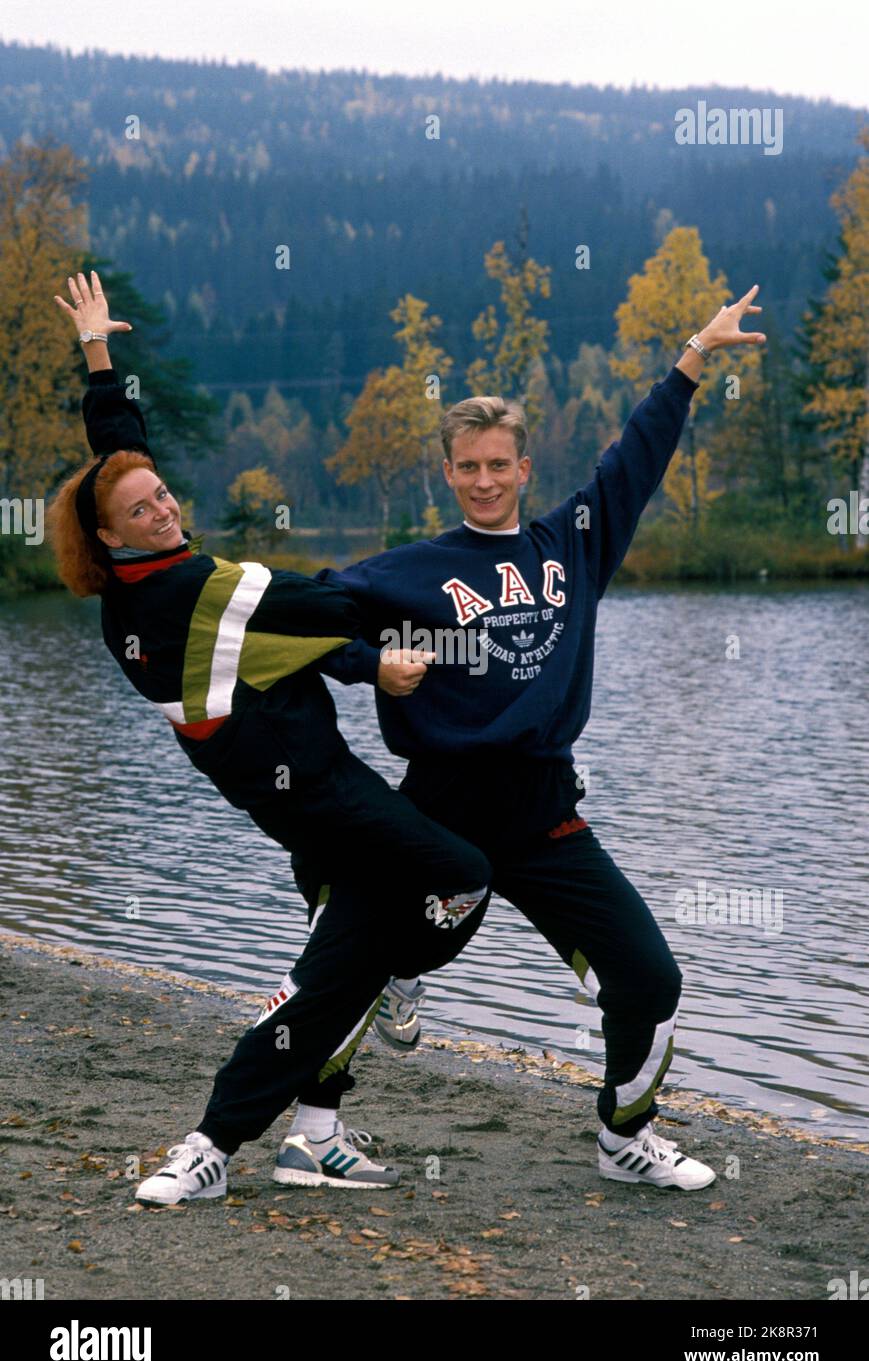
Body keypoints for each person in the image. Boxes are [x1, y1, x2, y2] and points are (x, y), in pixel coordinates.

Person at [295, 287, 767, 1191]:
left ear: (523, 466)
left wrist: (693, 356)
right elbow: (307, 613)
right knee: (352, 960)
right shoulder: (410, 571)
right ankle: (315, 1130)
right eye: (466, 465)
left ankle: (624, 1138)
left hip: (546, 814)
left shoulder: (572, 544)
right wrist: (371, 667)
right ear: (447, 471)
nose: (482, 479)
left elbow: (636, 459)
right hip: (439, 813)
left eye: (497, 464)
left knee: (647, 980)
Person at [48, 270, 492, 1204]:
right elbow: (324, 602)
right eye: (143, 511)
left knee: (332, 969)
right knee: (456, 880)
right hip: (317, 793)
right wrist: (392, 635)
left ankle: (301, 1138)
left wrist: (98, 351)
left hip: (288, 798)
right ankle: (372, 1009)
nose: (164, 507)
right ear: (110, 537)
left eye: (164, 495)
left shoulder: (148, 568)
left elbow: (118, 452)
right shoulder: (187, 591)